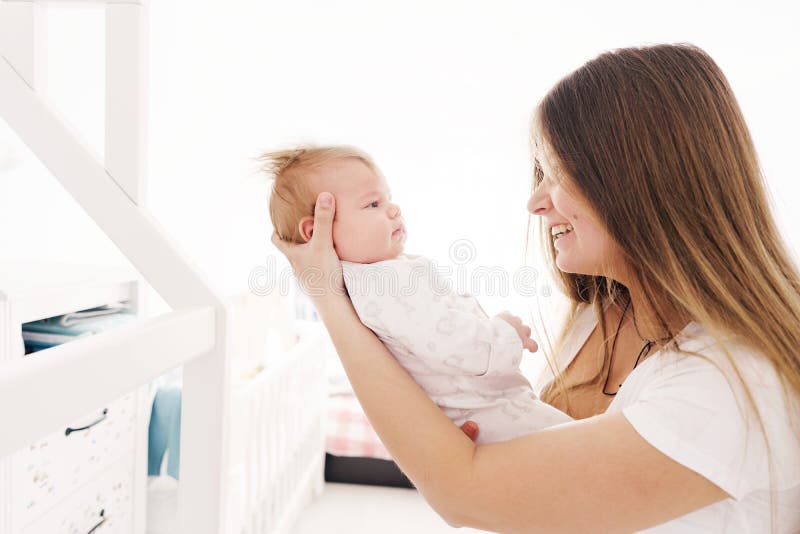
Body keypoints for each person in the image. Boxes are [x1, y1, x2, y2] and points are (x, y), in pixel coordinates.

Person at [272, 43, 800, 532]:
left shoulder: (734, 384)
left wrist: (326, 294)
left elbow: (463, 490)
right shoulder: (600, 316)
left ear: (637, 180)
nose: (535, 202)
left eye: (557, 173)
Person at [261, 146, 573, 444]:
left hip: (487, 412)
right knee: (578, 451)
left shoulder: (374, 281)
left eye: (388, 199)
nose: (393, 209)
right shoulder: (383, 286)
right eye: (372, 204)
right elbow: (461, 349)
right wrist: (505, 334)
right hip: (493, 419)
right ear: (316, 231)